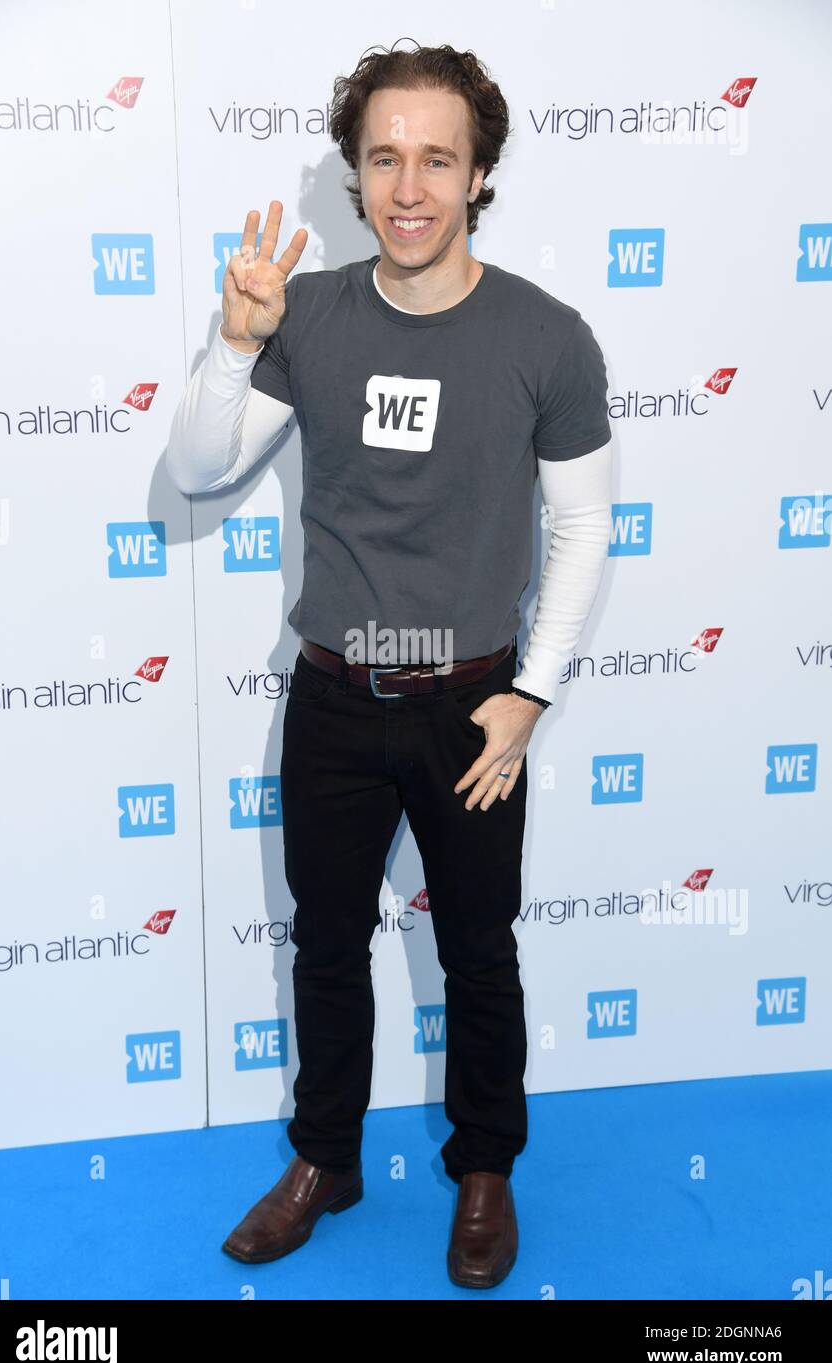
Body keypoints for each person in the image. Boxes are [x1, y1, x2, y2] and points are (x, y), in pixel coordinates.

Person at [166, 42, 612, 1290]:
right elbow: (200, 472)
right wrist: (231, 341)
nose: (406, 184)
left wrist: (529, 695)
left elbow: (579, 526)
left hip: (473, 706)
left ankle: (483, 1169)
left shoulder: (546, 337)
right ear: (354, 174)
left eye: (435, 158)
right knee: (323, 943)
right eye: (382, 157)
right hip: (332, 695)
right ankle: (326, 1157)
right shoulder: (306, 316)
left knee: (478, 945)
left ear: (477, 176)